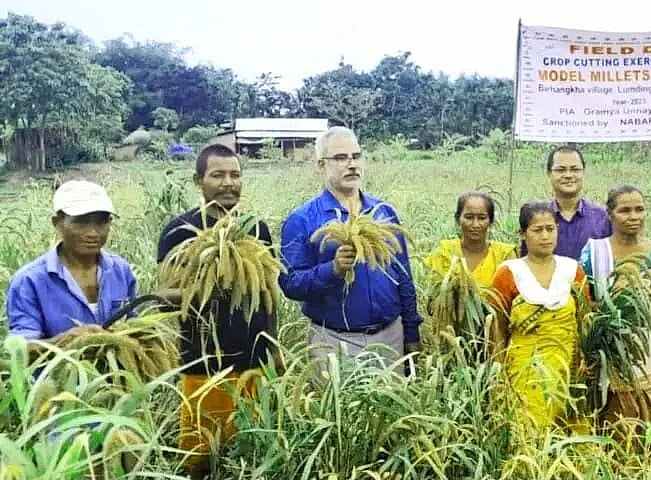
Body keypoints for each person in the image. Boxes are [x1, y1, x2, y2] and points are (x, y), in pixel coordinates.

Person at [155, 144, 280, 479]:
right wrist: (206, 287)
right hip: (202, 363)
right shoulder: (179, 230)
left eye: (235, 175)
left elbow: (269, 292)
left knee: (251, 455)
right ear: (199, 180)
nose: (228, 183)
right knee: (199, 459)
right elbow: (162, 295)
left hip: (253, 363)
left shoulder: (256, 228)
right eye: (218, 175)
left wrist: (274, 348)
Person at [278, 126, 422, 373]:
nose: (351, 164)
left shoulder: (383, 212)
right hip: (333, 342)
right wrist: (332, 269)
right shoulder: (301, 220)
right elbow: (291, 284)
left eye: (356, 156)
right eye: (341, 158)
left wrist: (411, 332)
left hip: (390, 339)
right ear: (321, 164)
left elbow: (403, 276)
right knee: (338, 411)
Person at [578, 184, 651, 427]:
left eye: (639, 209)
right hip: (610, 349)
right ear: (610, 214)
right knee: (617, 419)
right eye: (625, 210)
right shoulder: (594, 251)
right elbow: (584, 303)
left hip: (649, 345)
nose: (634, 217)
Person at [489, 200, 591, 437]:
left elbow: (584, 320)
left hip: (568, 370)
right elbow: (497, 329)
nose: (545, 236)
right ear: (523, 234)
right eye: (537, 230)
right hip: (524, 371)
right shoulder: (509, 272)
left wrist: (585, 362)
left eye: (550, 228)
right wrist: (498, 374)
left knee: (570, 434)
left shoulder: (572, 270)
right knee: (529, 433)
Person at [5, 180, 137, 355]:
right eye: (81, 222)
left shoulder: (121, 271)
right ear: (57, 223)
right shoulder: (29, 280)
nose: (93, 233)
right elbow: (20, 350)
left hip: (118, 380)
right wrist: (67, 341)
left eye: (102, 222)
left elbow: (135, 326)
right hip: (57, 381)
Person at [527, 145, 612, 260]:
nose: (568, 175)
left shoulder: (602, 218)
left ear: (583, 172)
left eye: (575, 169)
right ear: (549, 174)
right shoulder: (536, 218)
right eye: (560, 170)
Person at [424, 191, 518, 286]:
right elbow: (432, 293)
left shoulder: (504, 255)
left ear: (491, 221)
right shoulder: (444, 251)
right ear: (458, 219)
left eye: (482, 218)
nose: (475, 224)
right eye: (469, 217)